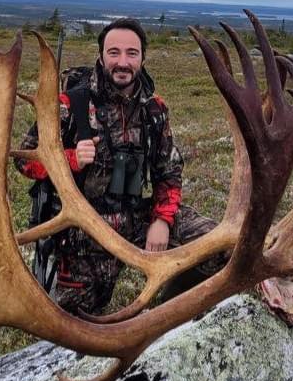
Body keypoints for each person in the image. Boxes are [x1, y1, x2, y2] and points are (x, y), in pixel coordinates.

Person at [14, 17, 221, 315]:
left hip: (136, 216)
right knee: (76, 327)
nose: (122, 62)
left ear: (142, 58)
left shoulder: (154, 109)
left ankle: (174, 317)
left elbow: (169, 171)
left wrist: (161, 221)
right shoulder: (69, 104)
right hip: (83, 231)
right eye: (114, 53)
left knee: (218, 250)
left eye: (131, 53)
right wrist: (70, 158)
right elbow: (24, 158)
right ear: (101, 56)